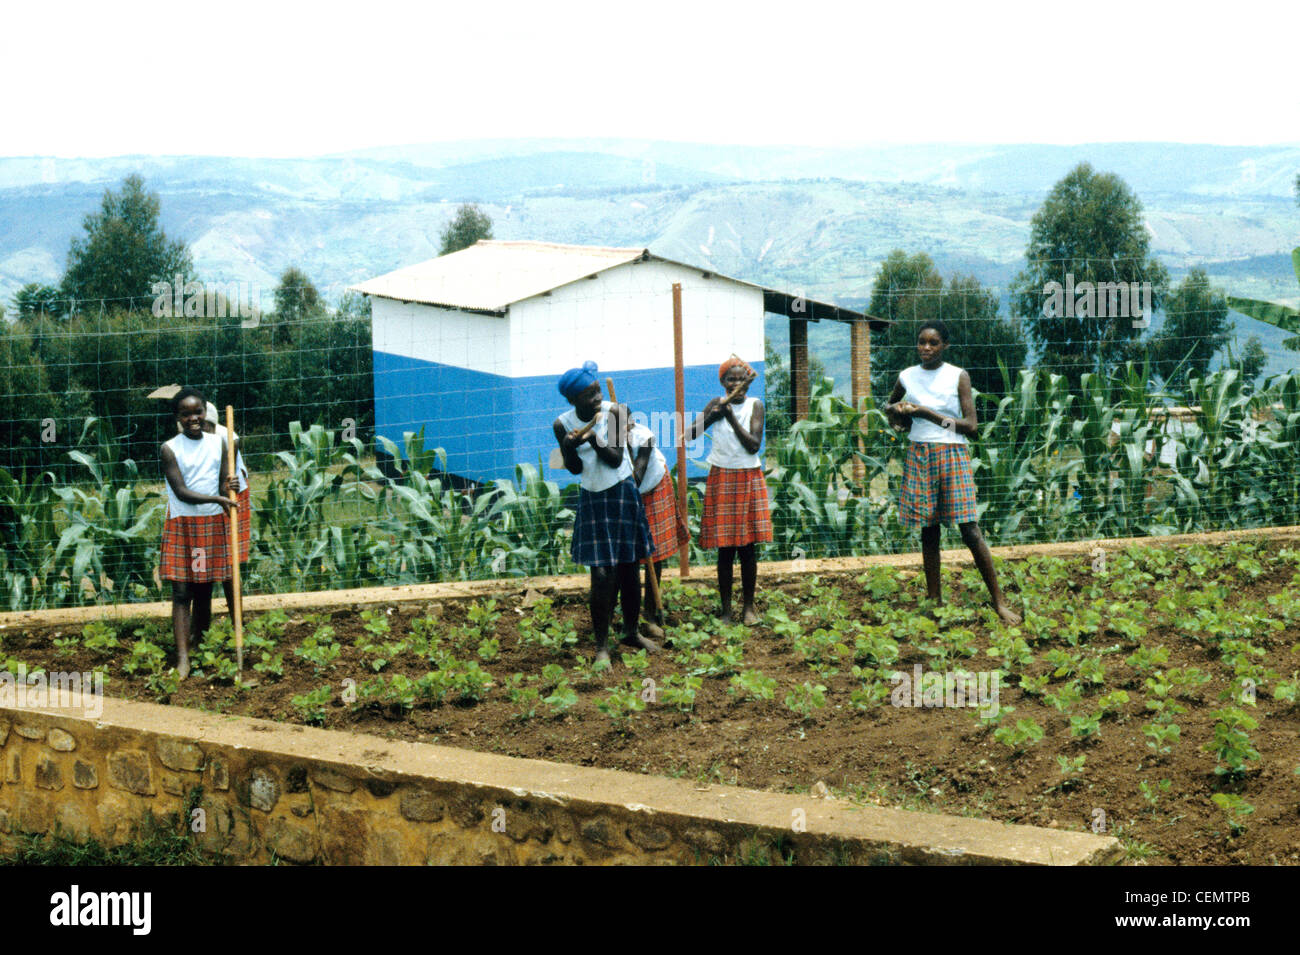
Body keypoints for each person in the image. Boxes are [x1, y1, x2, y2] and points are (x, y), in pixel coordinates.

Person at [884, 320, 1021, 625]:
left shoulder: (958, 376)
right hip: (920, 454)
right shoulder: (907, 376)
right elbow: (890, 407)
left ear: (945, 345)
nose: (926, 348)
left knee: (969, 530)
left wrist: (926, 414)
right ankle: (934, 601)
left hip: (952, 454)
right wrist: (899, 416)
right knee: (929, 530)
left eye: (933, 343)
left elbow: (970, 428)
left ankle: (999, 602)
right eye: (921, 342)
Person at [553, 361, 659, 664]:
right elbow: (574, 469)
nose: (598, 398)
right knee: (600, 574)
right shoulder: (561, 423)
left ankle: (630, 632)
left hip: (622, 491)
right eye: (589, 395)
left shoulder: (616, 412)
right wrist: (569, 447)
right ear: (573, 401)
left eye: (598, 391)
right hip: (593, 497)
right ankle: (601, 646)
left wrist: (592, 439)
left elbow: (614, 459)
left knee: (628, 567)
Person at [160, 388, 239, 678]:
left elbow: (220, 486)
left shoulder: (219, 443)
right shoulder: (170, 448)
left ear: (205, 412)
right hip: (184, 523)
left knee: (204, 586)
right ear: (177, 417)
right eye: (186, 414)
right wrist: (218, 500)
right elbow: (181, 491)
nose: (193, 418)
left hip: (210, 523)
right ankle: (182, 658)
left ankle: (200, 646)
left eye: (197, 412)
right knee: (182, 591)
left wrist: (229, 487)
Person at [687, 355, 771, 624]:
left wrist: (732, 419)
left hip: (748, 477)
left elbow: (753, 445)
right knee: (725, 548)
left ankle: (748, 607)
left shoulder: (755, 406)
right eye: (731, 379)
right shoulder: (716, 404)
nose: (737, 383)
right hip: (721, 476)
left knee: (747, 548)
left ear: (748, 380)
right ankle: (725, 610)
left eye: (741, 378)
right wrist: (713, 416)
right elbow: (690, 435)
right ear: (723, 382)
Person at [626, 411, 690, 640]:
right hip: (625, 491)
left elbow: (638, 477)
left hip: (653, 487)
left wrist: (624, 448)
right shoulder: (606, 439)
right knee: (629, 554)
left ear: (632, 423)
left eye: (626, 424)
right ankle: (629, 616)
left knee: (655, 552)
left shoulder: (644, 437)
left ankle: (651, 614)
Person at [202, 401, 251, 613]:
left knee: (230, 561)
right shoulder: (184, 443)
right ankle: (201, 625)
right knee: (202, 564)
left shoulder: (228, 438)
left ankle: (237, 621)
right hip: (202, 499)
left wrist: (221, 494)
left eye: (207, 425)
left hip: (230, 495)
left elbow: (225, 483)